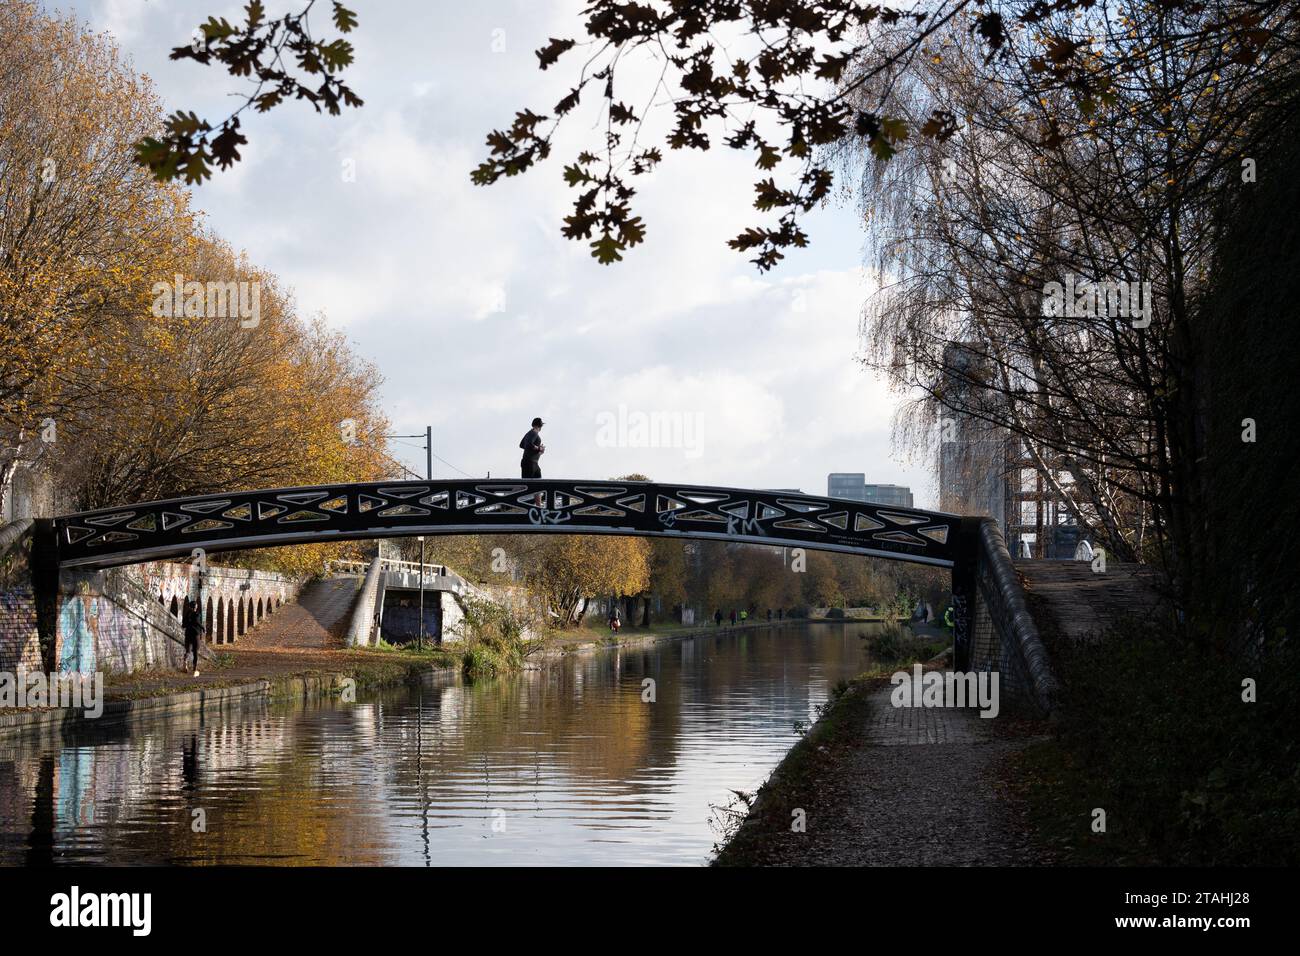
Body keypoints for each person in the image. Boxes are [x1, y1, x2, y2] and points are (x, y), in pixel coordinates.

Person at [181, 596, 203, 677]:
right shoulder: (196, 614)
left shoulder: (186, 615)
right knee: (195, 652)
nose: (196, 608)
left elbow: (183, 625)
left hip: (188, 634)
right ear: (195, 607)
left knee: (188, 650)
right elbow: (197, 622)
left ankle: (185, 663)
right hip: (195, 634)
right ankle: (195, 668)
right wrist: (202, 627)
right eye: (196, 607)